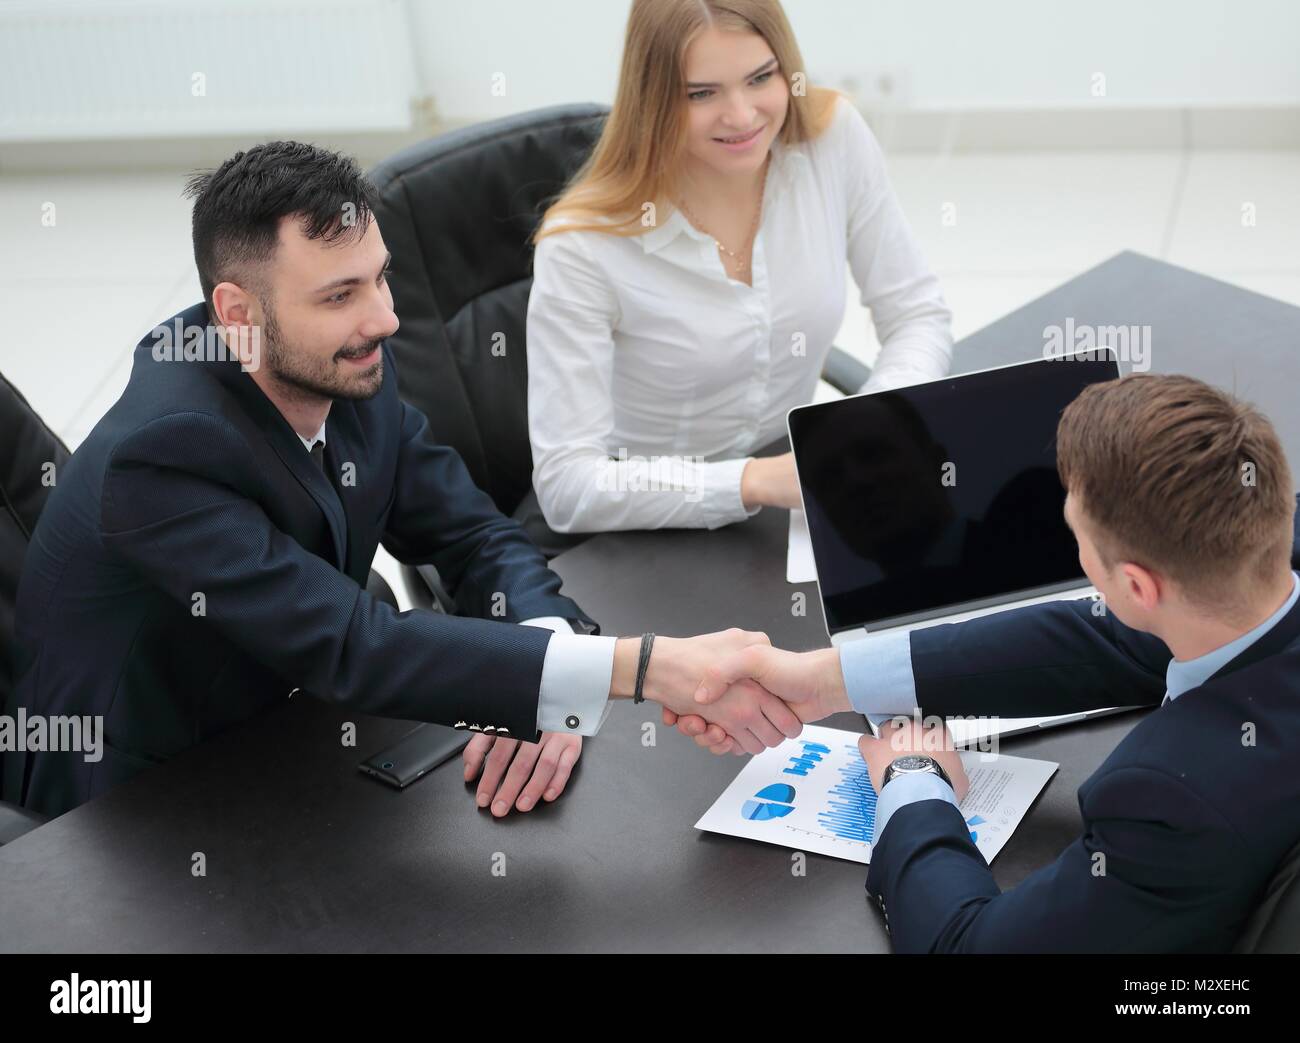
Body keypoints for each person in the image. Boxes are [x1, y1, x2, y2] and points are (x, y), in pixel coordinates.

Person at [4, 142, 803, 821]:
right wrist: (641, 667)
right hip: (139, 797)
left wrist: (547, 656)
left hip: (296, 728)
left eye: (380, 278)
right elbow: (354, 645)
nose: (385, 317)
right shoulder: (165, 451)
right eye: (340, 295)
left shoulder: (347, 365)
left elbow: (470, 533)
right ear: (237, 311)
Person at [670, 372, 1300, 952]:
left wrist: (915, 781)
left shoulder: (1173, 800)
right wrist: (828, 679)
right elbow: (1113, 639)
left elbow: (968, 947)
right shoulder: (1264, 567)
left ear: (1137, 587)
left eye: (1075, 536)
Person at [522, 0, 952, 554]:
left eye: (760, 77)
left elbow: (917, 313)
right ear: (651, 99)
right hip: (633, 529)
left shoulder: (830, 140)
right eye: (702, 93)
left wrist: (870, 424)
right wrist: (757, 481)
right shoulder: (582, 245)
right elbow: (567, 486)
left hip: (794, 489)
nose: (744, 116)